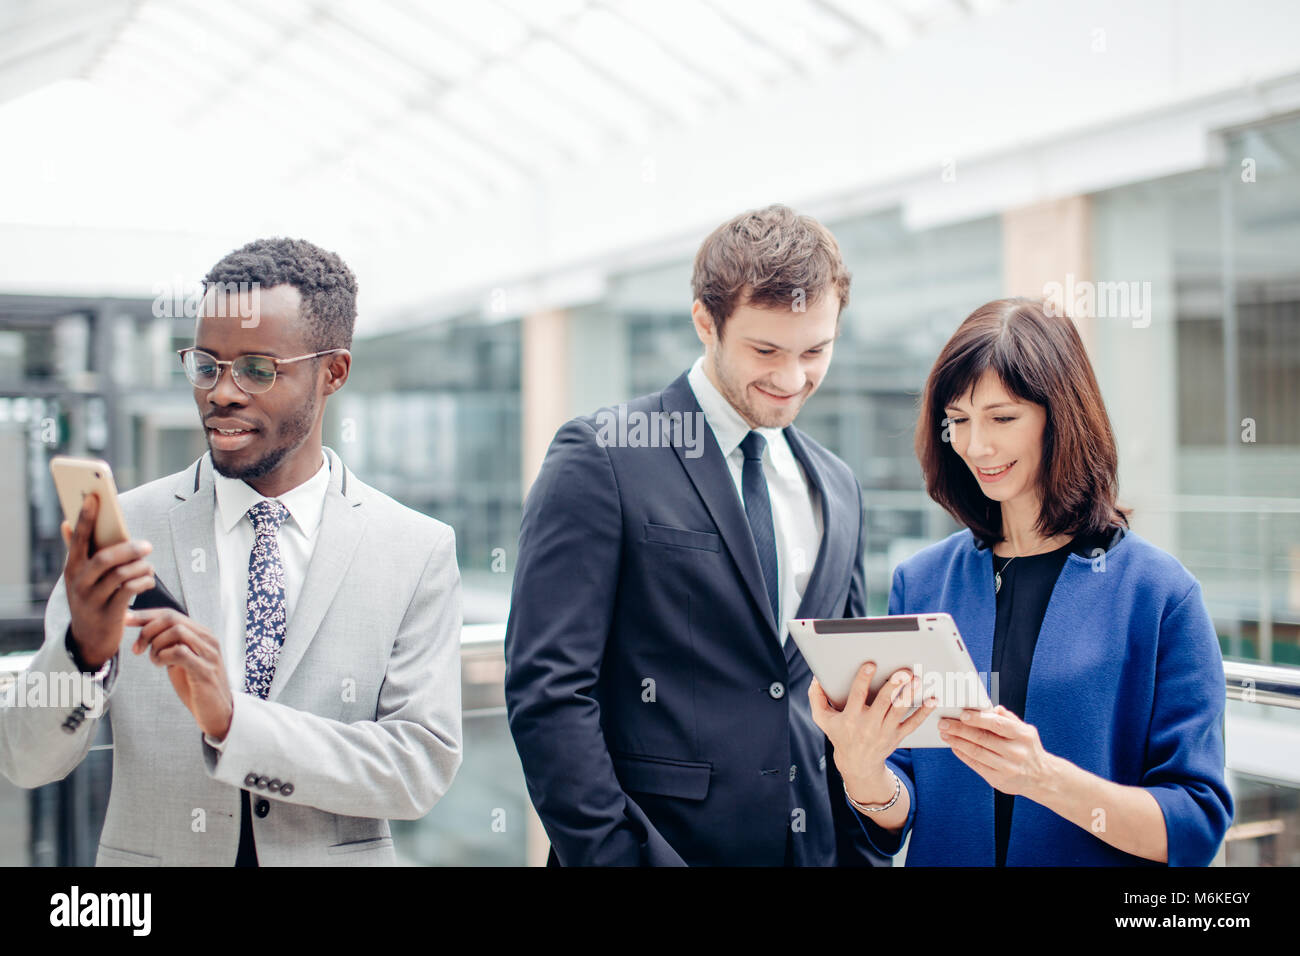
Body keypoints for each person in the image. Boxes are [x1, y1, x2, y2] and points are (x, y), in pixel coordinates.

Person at [0, 238, 463, 865]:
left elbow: (416, 768)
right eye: (206, 364)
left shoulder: (414, 548)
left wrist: (231, 723)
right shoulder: (128, 526)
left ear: (333, 373)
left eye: (256, 369)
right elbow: (25, 759)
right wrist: (81, 648)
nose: (221, 392)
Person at [505, 204, 882, 866]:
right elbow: (549, 692)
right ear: (705, 322)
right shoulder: (603, 455)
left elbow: (838, 698)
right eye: (765, 350)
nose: (792, 379)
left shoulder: (837, 484)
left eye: (815, 351)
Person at [811, 297, 1233, 866]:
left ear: (1060, 417)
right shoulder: (924, 580)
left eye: (1002, 418)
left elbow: (1195, 825)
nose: (975, 446)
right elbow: (903, 805)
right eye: (958, 421)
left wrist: (1042, 778)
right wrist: (862, 773)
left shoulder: (1158, 595)